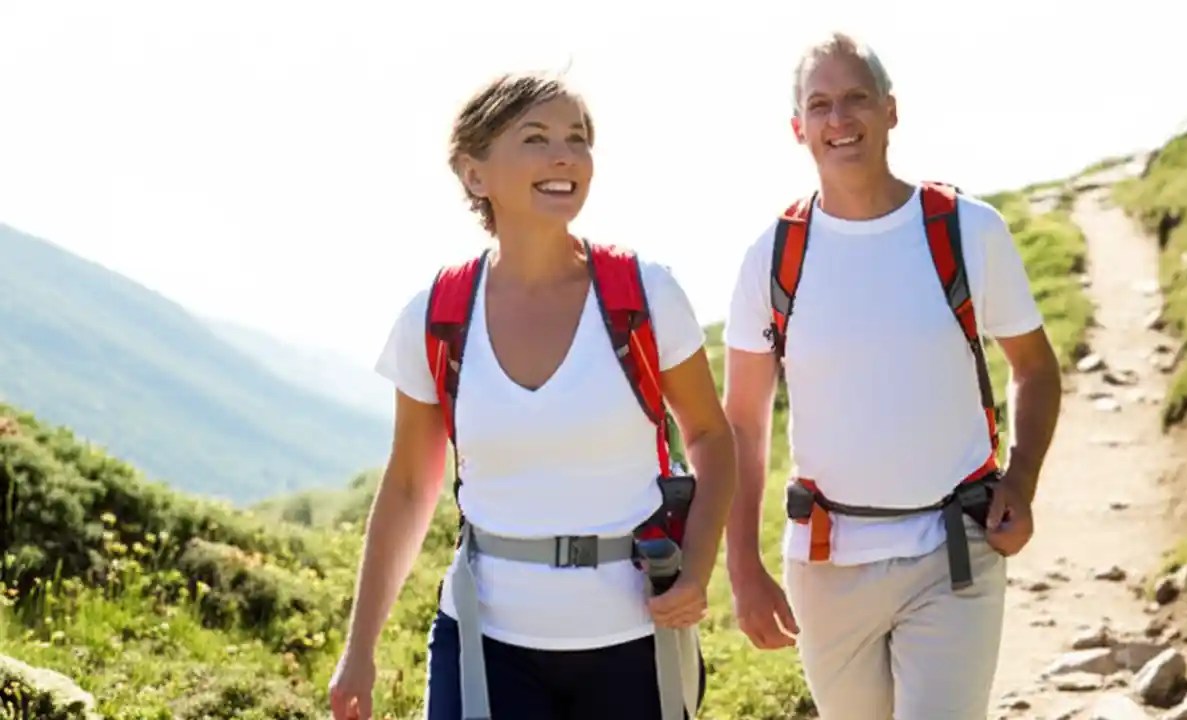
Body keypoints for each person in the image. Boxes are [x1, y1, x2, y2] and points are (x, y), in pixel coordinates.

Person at [326, 71, 736, 720]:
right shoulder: (437, 314)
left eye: (577, 138)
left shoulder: (646, 295)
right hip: (486, 648)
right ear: (475, 174)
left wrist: (696, 572)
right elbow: (408, 485)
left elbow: (712, 439)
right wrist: (360, 650)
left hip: (634, 642)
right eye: (536, 138)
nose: (564, 156)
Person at [722, 31, 1063, 720]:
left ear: (891, 110)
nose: (839, 120)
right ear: (798, 127)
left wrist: (1021, 481)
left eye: (857, 100)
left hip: (953, 551)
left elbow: (1035, 367)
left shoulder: (967, 229)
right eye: (820, 105)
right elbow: (742, 426)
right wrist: (744, 567)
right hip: (824, 565)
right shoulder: (772, 257)